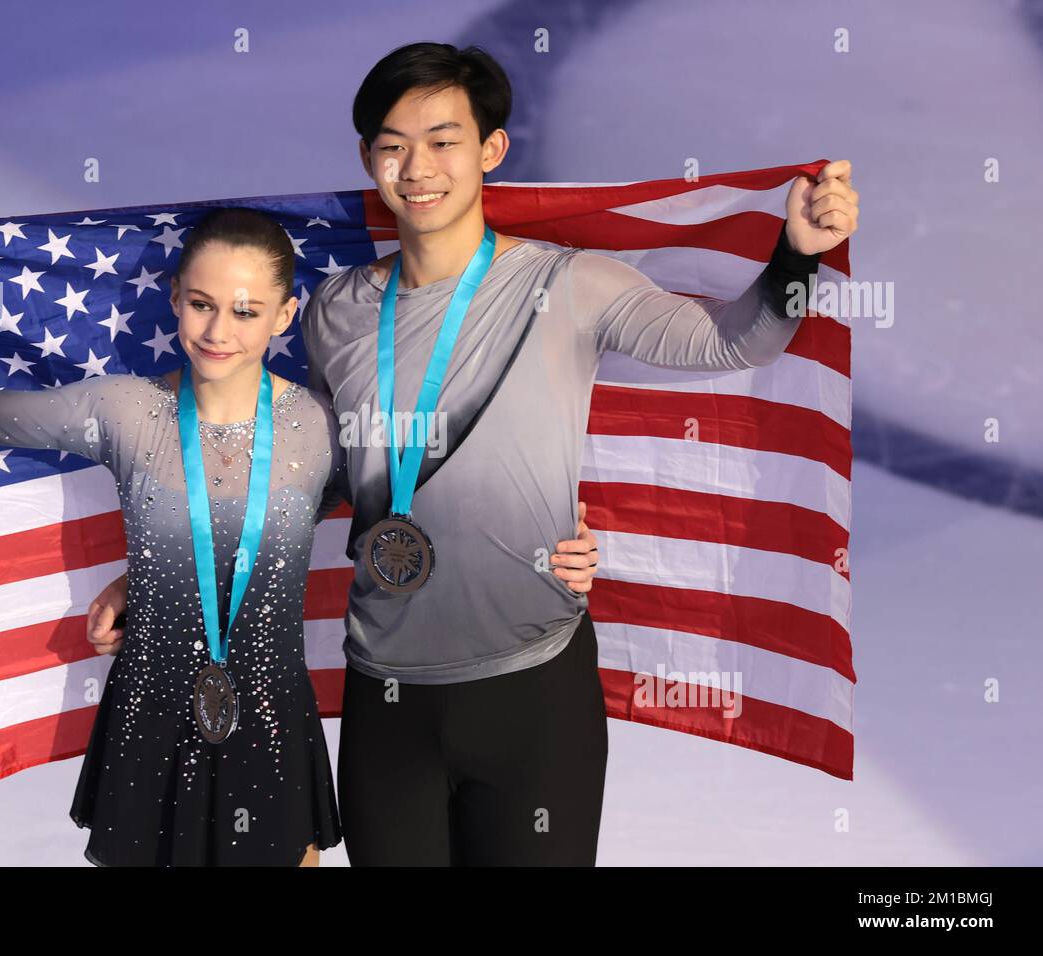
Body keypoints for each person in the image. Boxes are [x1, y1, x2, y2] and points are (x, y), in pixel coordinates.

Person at [93, 42, 860, 866]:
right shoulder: (337, 312)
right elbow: (313, 477)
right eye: (393, 144)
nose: (417, 167)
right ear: (368, 158)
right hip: (387, 695)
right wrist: (163, 574)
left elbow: (731, 342)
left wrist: (797, 257)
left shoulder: (571, 285)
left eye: (444, 139)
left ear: (491, 150)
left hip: (533, 693)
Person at [0, 207, 354, 867]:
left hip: (270, 723)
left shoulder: (319, 427)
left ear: (283, 315)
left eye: (246, 312)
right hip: (154, 714)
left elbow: (314, 512)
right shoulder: (123, 411)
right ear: (175, 300)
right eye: (201, 304)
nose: (220, 331)